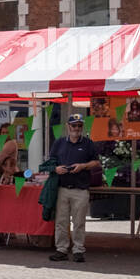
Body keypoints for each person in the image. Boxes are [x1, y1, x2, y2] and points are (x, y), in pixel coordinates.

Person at [48, 112, 101, 263]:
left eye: (79, 126)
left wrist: (83, 166)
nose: (76, 128)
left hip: (81, 188)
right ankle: (61, 250)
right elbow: (50, 163)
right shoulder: (59, 143)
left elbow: (96, 162)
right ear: (67, 126)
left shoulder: (88, 143)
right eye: (74, 125)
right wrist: (56, 168)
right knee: (61, 222)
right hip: (63, 188)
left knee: (79, 222)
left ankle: (78, 250)